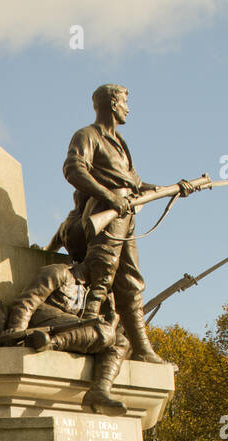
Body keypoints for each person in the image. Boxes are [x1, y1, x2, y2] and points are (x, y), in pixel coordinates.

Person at [63, 83, 194, 364]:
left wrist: (170, 188)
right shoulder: (87, 135)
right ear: (112, 103)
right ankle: (84, 330)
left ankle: (142, 348)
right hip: (106, 210)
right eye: (124, 102)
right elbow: (73, 169)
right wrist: (110, 197)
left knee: (131, 281)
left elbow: (132, 182)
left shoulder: (120, 143)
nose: (127, 108)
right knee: (103, 273)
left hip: (126, 212)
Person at [4, 259, 130, 415]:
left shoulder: (90, 290)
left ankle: (100, 390)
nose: (108, 279)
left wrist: (112, 314)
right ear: (93, 264)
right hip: (43, 319)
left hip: (69, 329)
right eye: (106, 272)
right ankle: (51, 342)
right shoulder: (59, 272)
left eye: (110, 275)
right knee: (106, 331)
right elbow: (28, 300)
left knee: (121, 340)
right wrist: (17, 330)